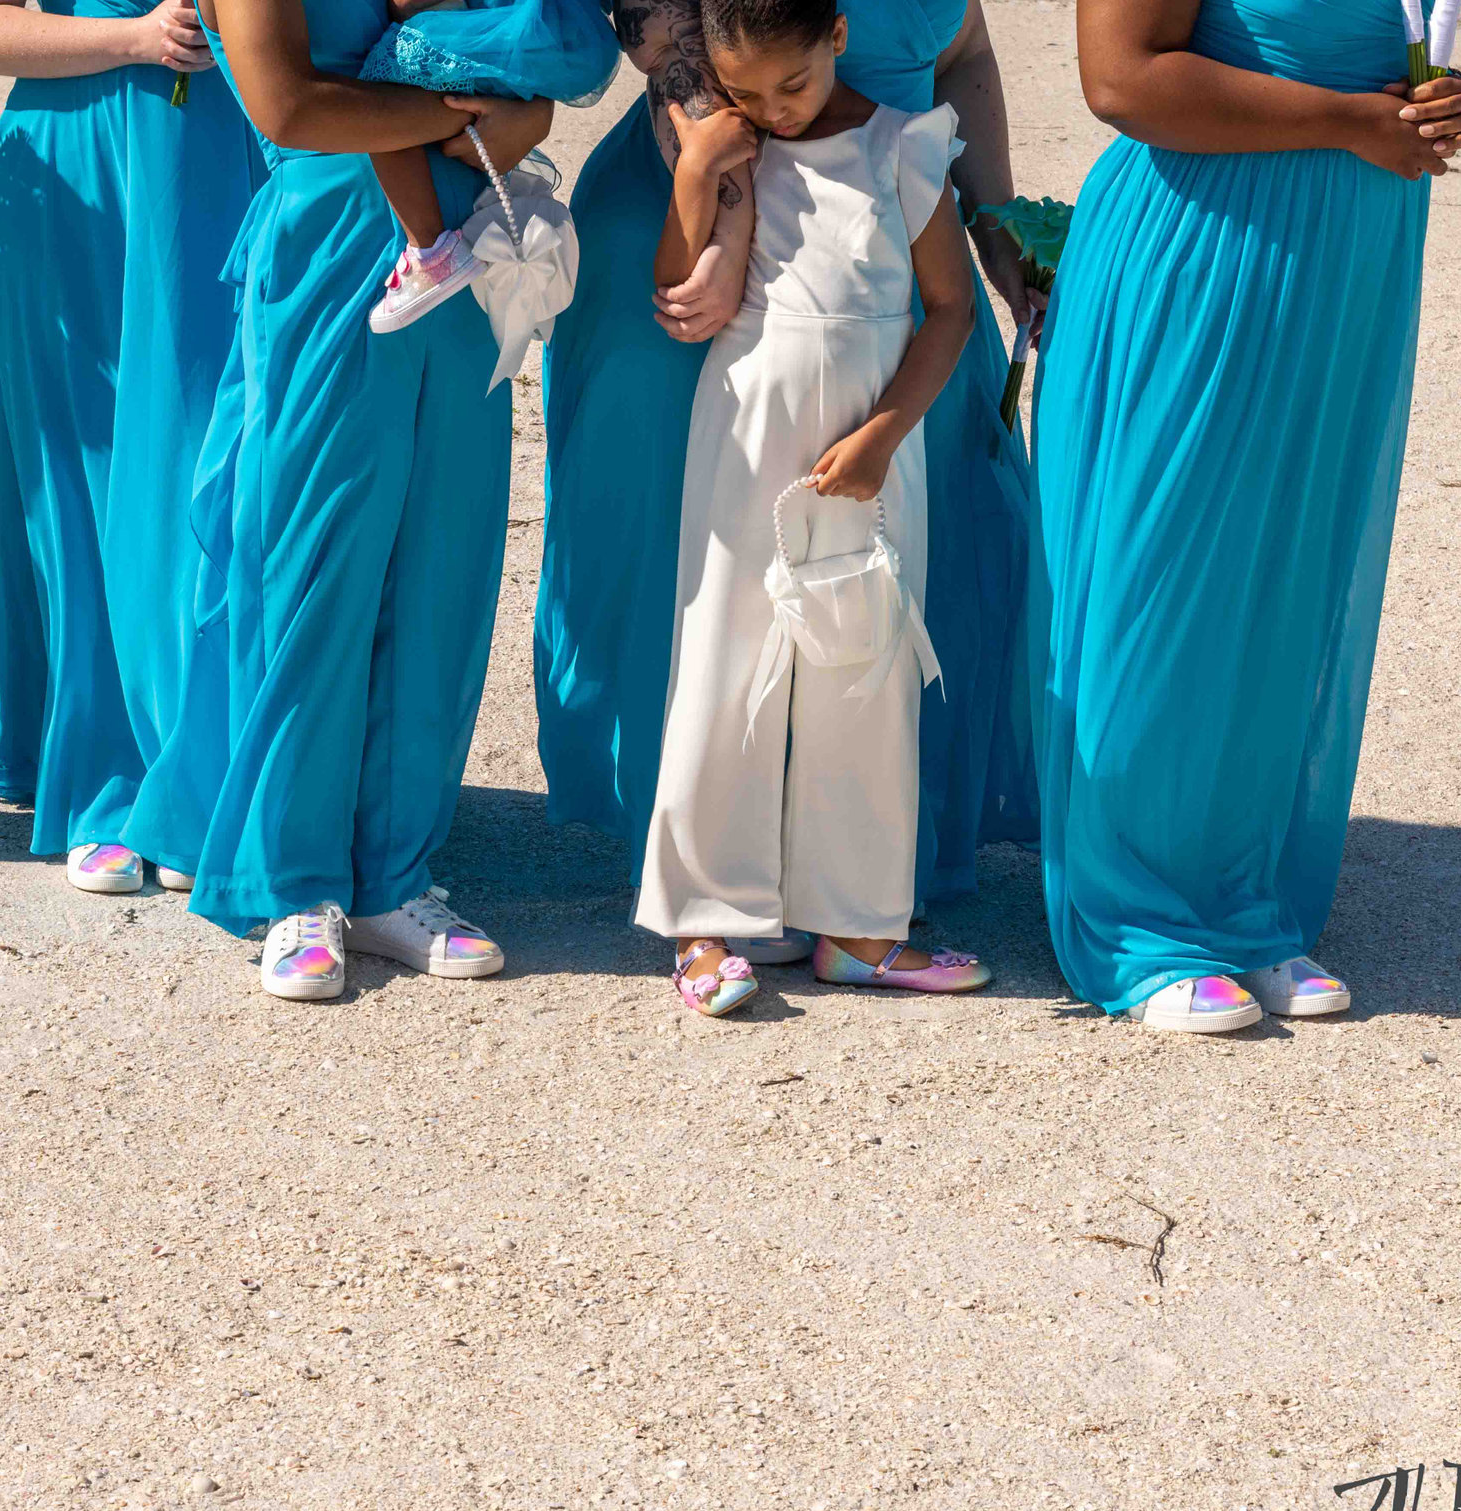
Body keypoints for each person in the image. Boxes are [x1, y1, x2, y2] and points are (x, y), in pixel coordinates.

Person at [536, 0, 1043, 952]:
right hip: (734, 267)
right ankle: (710, 899)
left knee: (875, 615)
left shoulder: (902, 146)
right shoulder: (756, 113)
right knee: (721, 618)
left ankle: (857, 897)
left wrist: (995, 221)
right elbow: (668, 41)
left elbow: (963, 44)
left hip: (890, 269)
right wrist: (723, 212)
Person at [1032, 0, 1461, 1030]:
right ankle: (1142, 920)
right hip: (1207, 248)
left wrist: (1442, 105)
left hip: (1346, 263)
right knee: (1168, 585)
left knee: (1282, 579)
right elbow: (1122, 79)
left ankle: (1235, 902)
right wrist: (1350, 122)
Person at [128, 0, 552, 1001]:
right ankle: (295, 880)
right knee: (312, 570)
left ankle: (394, 875)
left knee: (440, 560)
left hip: (467, 241)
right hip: (326, 248)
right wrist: (459, 119)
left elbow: (524, 74)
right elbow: (289, 106)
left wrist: (512, 116)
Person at [637, 0, 991, 1016]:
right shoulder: (730, 147)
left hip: (870, 440)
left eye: (791, 84)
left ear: (836, 35)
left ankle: (858, 924)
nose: (775, 110)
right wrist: (696, 173)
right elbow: (674, 289)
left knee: (863, 658)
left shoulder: (899, 145)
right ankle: (704, 919)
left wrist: (885, 435)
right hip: (748, 423)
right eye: (747, 92)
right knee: (724, 650)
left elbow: (950, 308)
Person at [0, 0, 264, 897]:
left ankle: (198, 764)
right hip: (69, 168)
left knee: (201, 461)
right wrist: (137, 37)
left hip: (218, 161)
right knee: (80, 485)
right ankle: (104, 780)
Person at [355, 0, 618, 332]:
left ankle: (431, 252)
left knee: (382, 75)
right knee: (488, 88)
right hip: (567, 33)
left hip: (520, 32)